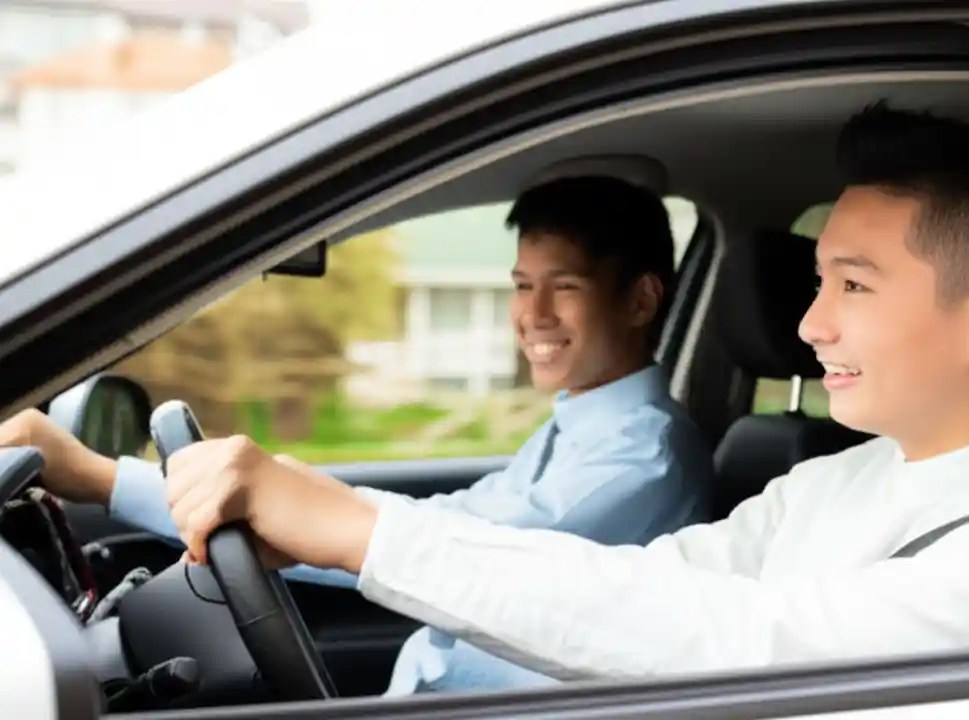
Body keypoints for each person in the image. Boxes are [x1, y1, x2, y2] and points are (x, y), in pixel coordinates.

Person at [140, 104, 969, 680]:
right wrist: (345, 525)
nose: (808, 324)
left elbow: (739, 648)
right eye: (818, 279)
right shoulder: (836, 484)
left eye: (853, 286)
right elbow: (651, 584)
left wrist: (359, 530)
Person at [0, 175, 711, 693]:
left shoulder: (640, 458)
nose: (533, 315)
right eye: (523, 286)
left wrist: (101, 476)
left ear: (642, 299)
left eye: (567, 288)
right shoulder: (583, 428)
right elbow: (444, 522)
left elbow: (431, 547)